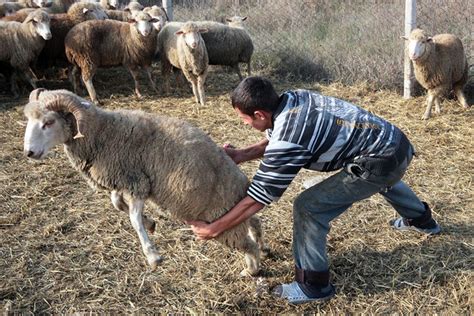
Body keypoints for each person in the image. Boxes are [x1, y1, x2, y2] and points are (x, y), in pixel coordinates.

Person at [186, 76, 441, 304]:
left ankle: (313, 285)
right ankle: (422, 220)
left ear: (260, 115)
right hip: (395, 142)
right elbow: (283, 139)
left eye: (244, 119)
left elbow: (258, 198)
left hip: (380, 162)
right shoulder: (294, 98)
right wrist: (242, 154)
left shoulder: (288, 136)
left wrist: (214, 228)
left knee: (308, 207)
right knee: (383, 175)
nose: (243, 124)